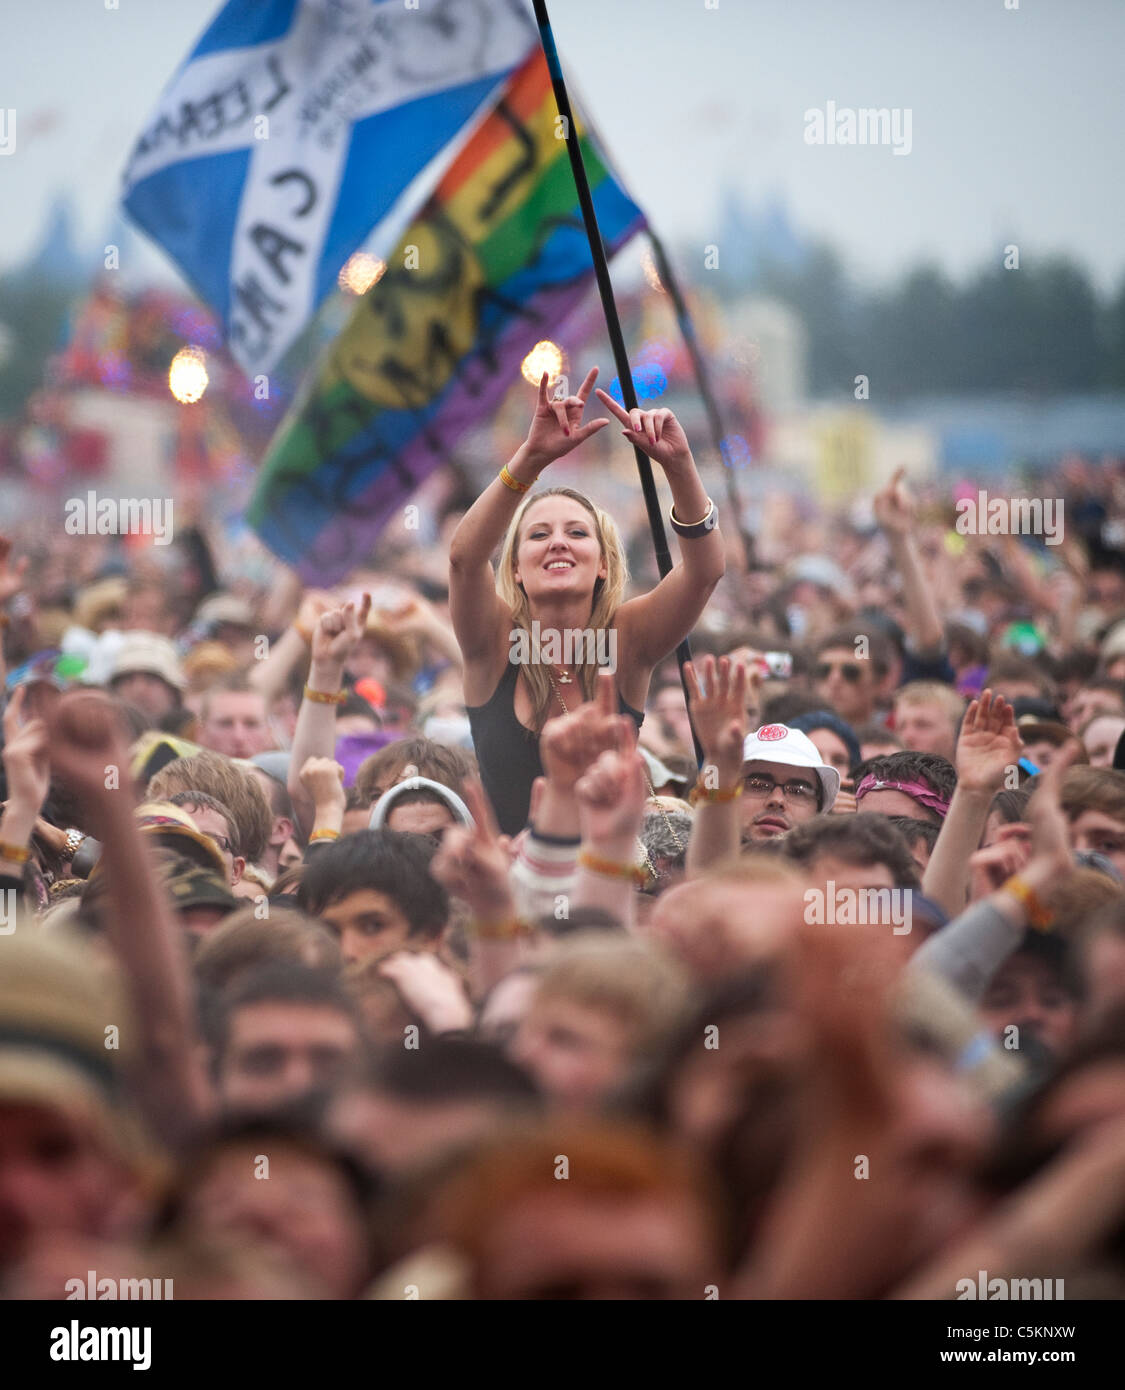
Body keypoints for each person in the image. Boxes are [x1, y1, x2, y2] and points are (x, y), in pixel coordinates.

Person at [448, 368, 724, 833]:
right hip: (515, 889)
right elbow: (463, 559)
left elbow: (704, 572)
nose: (558, 542)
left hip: (610, 880)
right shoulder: (493, 643)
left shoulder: (628, 640)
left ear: (602, 564)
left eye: (577, 533)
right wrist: (530, 459)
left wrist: (679, 467)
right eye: (538, 534)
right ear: (515, 567)